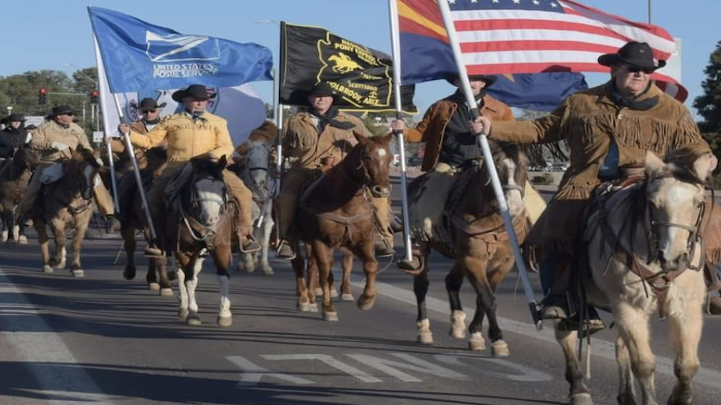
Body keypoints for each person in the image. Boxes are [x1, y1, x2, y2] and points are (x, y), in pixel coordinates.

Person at [473, 41, 721, 325]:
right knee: (551, 230)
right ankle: (559, 296)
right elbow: (540, 128)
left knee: (707, 214)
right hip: (585, 183)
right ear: (615, 69)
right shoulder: (581, 102)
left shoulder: (672, 109)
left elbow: (693, 144)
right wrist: (494, 127)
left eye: (646, 70)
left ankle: (711, 288)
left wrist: (706, 156)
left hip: (648, 180)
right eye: (632, 68)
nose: (640, 74)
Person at [390, 74, 546, 272]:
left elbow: (512, 134)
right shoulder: (441, 106)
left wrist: (491, 129)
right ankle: (419, 248)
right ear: (456, 82)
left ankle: (535, 247)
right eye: (465, 78)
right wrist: (404, 130)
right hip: (452, 165)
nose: (470, 82)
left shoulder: (500, 109)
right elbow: (421, 133)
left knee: (535, 203)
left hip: (491, 165)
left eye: (475, 79)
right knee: (425, 200)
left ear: (483, 83)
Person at [119, 84, 260, 256]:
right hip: (177, 166)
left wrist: (214, 154)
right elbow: (149, 141)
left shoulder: (218, 122)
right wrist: (129, 134)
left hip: (210, 167)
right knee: (152, 199)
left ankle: (245, 235)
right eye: (195, 100)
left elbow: (227, 145)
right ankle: (158, 239)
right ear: (185, 100)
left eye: (203, 100)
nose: (200, 103)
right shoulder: (171, 121)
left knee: (244, 193)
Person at [276, 82, 394, 260]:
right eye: (316, 96)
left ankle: (380, 235)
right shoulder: (293, 122)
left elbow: (373, 146)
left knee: (377, 194)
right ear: (309, 99)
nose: (321, 99)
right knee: (287, 196)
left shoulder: (352, 122)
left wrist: (360, 144)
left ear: (332, 99)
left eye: (325, 96)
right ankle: (287, 238)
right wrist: (274, 163)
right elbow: (278, 148)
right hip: (305, 168)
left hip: (341, 170)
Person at [20, 105, 114, 222]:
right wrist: (52, 144)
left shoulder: (77, 128)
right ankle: (25, 214)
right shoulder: (44, 128)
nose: (72, 116)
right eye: (69, 114)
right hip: (51, 162)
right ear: (58, 116)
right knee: (34, 187)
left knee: (96, 180)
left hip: (76, 163)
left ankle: (108, 213)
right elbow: (34, 142)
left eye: (72, 114)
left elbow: (86, 146)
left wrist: (93, 158)